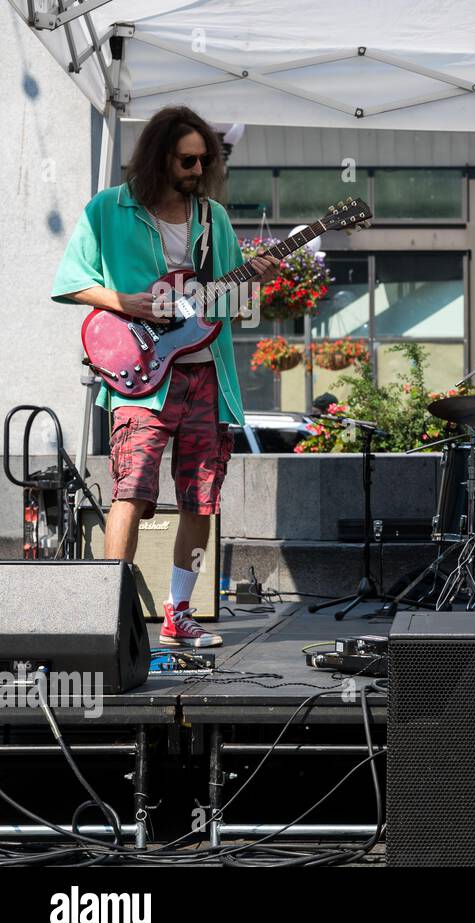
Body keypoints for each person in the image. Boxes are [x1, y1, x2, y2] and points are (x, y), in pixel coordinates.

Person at [52, 106, 281, 647]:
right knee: (130, 491)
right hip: (142, 380)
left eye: (206, 160)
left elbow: (233, 303)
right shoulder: (109, 209)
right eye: (187, 160)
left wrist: (259, 281)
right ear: (160, 156)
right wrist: (124, 301)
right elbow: (70, 281)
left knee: (202, 501)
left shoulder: (213, 219)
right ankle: (108, 617)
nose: (198, 169)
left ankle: (180, 613)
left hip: (206, 378)